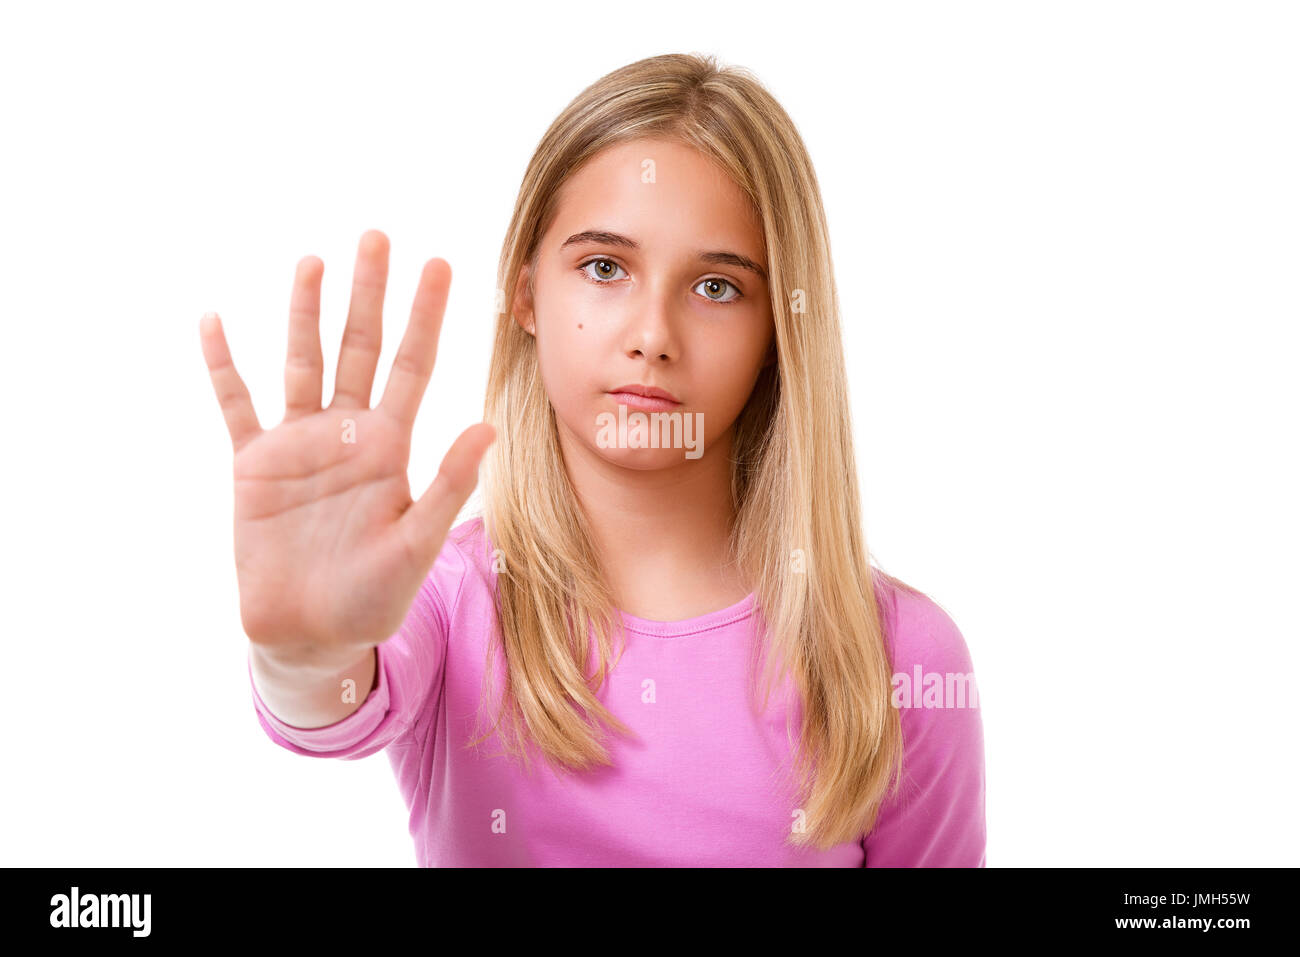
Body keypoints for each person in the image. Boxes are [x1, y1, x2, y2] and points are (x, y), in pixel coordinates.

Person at [199, 52, 986, 867]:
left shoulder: (899, 656)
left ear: (778, 334)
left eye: (717, 286)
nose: (653, 334)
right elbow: (326, 705)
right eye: (605, 267)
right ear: (527, 293)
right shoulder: (449, 595)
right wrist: (301, 649)